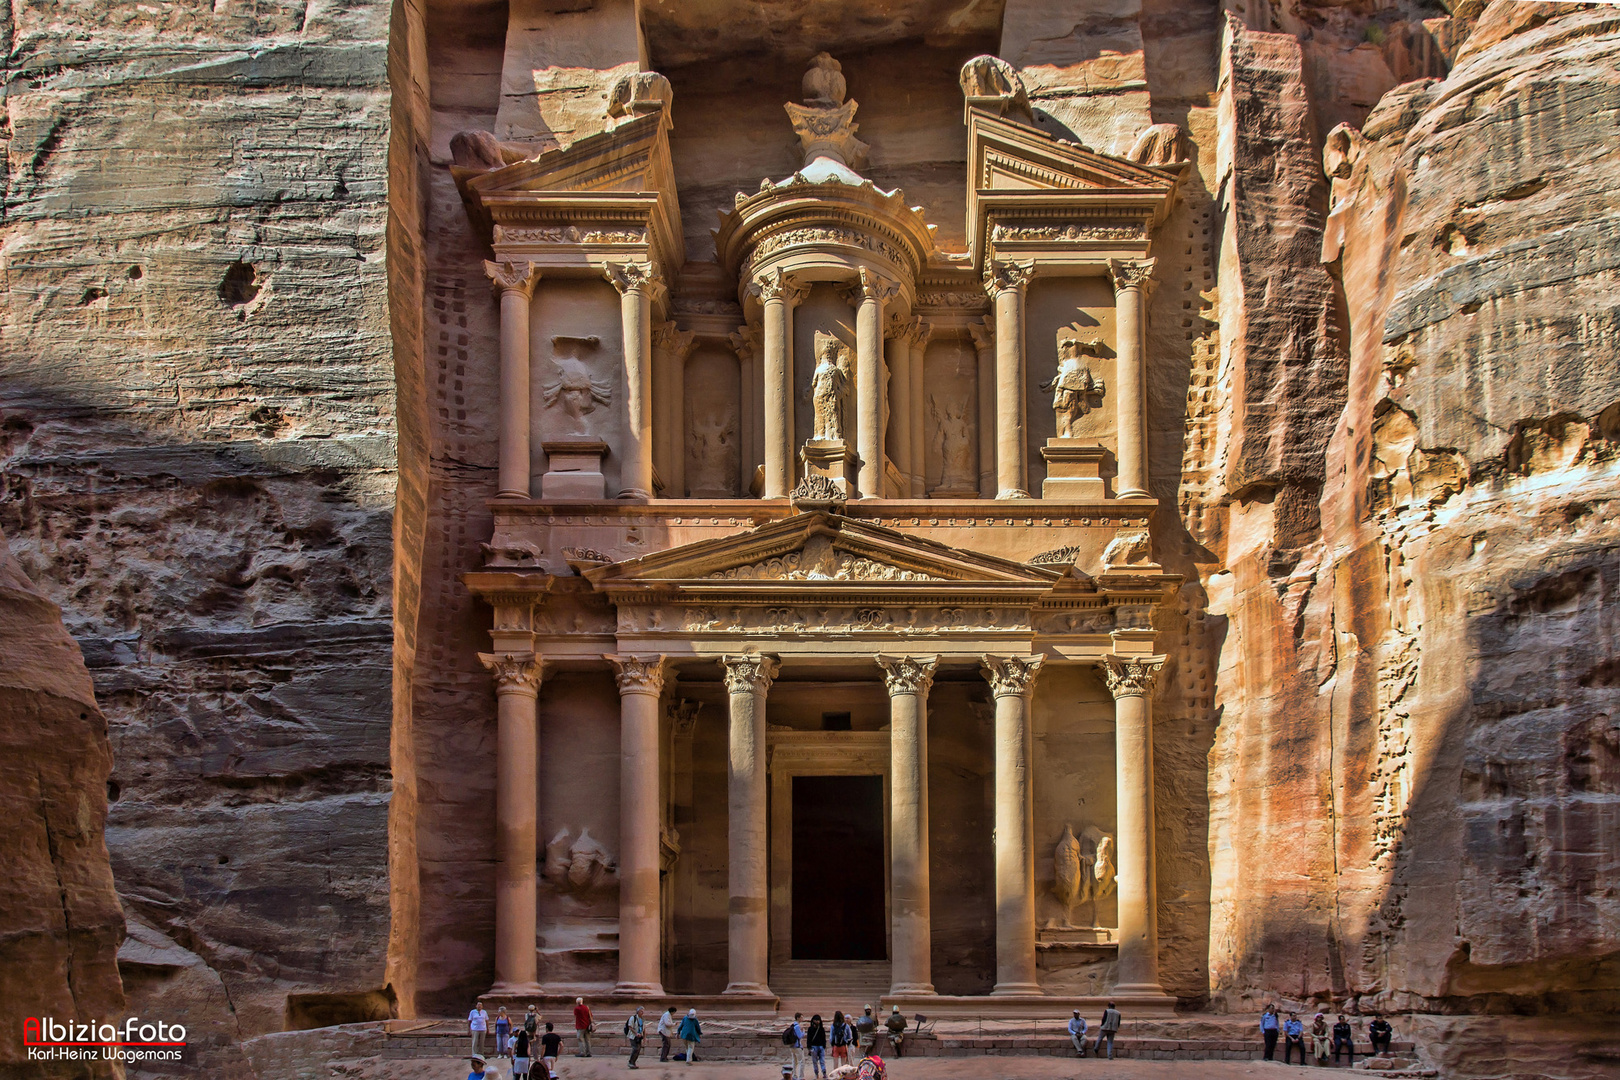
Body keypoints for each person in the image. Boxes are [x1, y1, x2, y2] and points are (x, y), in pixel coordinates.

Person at [786, 1012, 806, 1078]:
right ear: (798, 1018)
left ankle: (794, 1076)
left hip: (792, 1046)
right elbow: (800, 1036)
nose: (802, 1018)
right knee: (801, 1062)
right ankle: (801, 1077)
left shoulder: (792, 1025)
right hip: (797, 1046)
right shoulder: (797, 1026)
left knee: (794, 1062)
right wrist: (803, 1032)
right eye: (801, 1017)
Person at [807, 1013, 827, 1079]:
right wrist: (809, 1047)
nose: (817, 1021)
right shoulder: (810, 1029)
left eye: (818, 1020)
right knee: (814, 1061)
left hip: (821, 1046)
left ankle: (824, 1073)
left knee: (822, 1061)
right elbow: (809, 1038)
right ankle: (816, 1074)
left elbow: (824, 1038)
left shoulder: (821, 1029)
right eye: (816, 1020)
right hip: (813, 1047)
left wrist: (824, 1046)